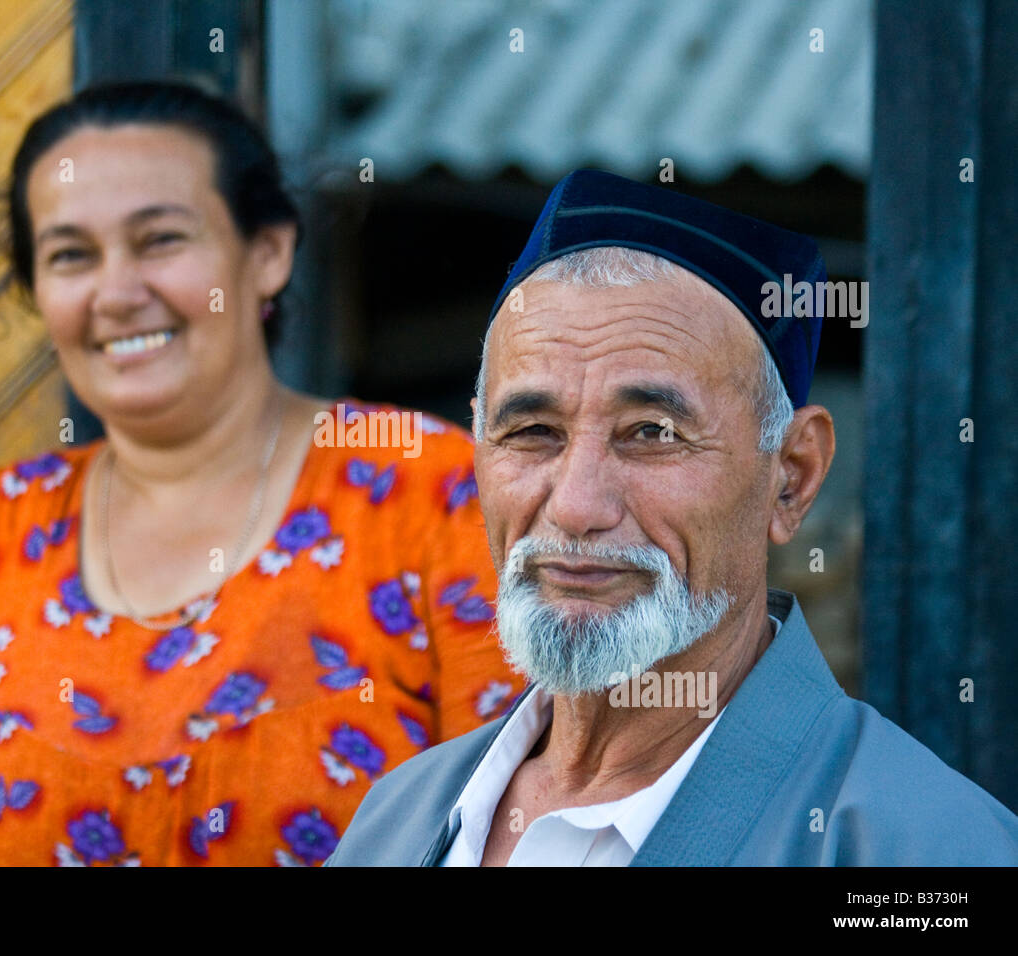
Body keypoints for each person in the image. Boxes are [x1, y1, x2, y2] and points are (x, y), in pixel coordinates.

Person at [0, 81, 523, 867]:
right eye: (71, 255)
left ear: (266, 252)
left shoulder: (431, 492)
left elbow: (529, 783)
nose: (117, 294)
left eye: (160, 241)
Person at [326, 168, 1018, 866]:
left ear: (792, 476)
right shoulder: (397, 820)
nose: (575, 506)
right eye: (532, 430)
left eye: (652, 432)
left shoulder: (919, 850)